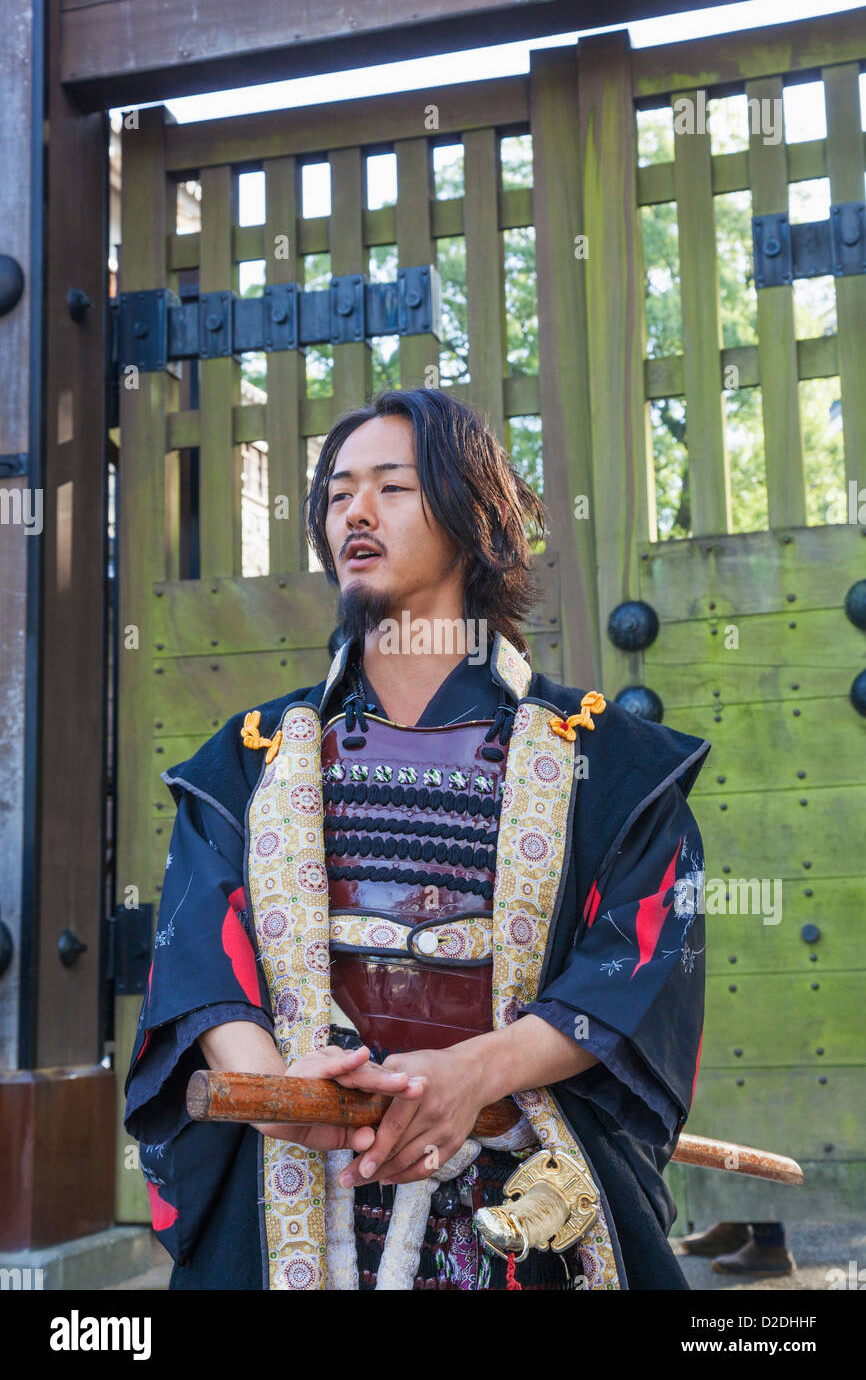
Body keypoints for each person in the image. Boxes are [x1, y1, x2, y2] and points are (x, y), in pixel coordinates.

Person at [124, 387, 710, 1291]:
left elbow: (640, 957)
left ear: (474, 517)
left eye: (391, 487)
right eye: (337, 495)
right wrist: (277, 1094)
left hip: (515, 1184)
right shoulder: (248, 759)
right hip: (300, 1186)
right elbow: (200, 951)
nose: (355, 512)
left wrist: (475, 1071)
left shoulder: (610, 764)